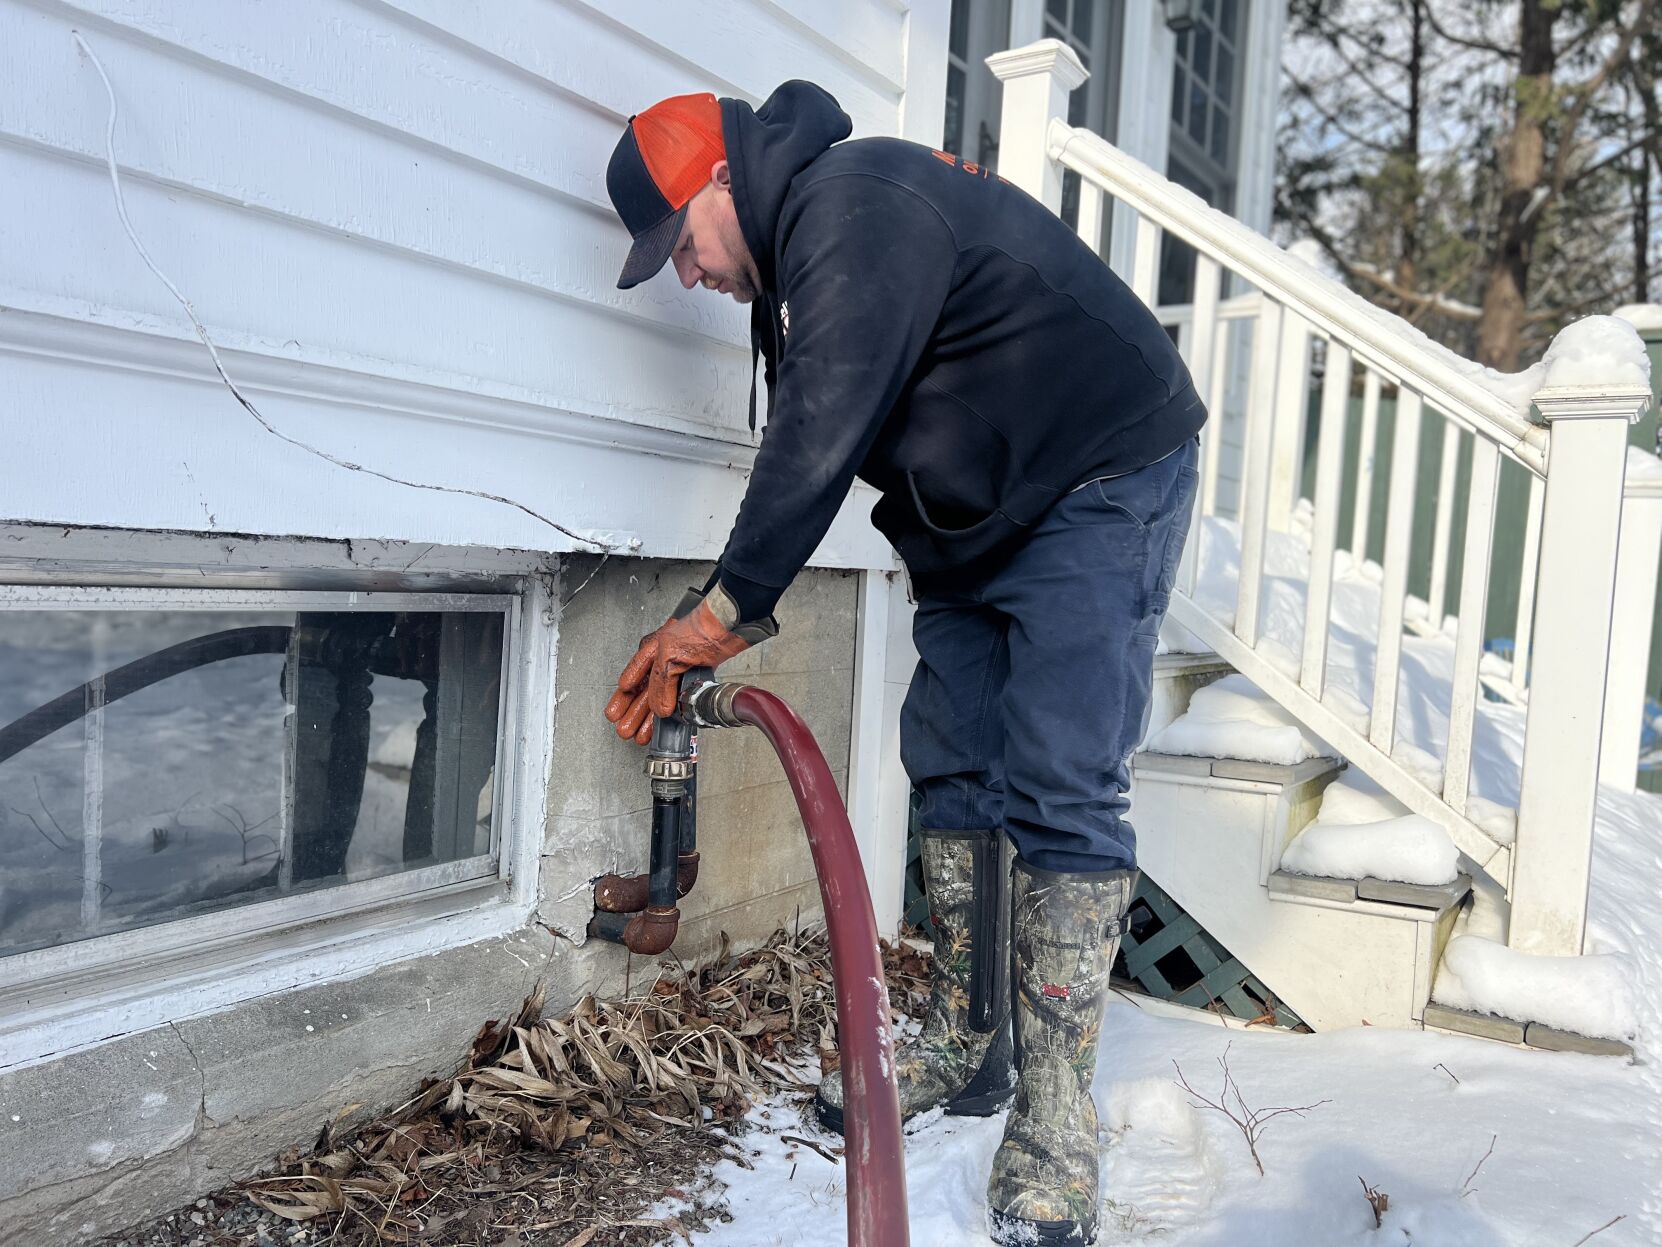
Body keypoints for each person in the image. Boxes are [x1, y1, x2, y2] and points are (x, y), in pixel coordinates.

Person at [602, 83, 1203, 1247]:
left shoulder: (855, 200)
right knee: (948, 753)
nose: (685, 275)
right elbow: (822, 426)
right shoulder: (806, 251)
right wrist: (711, 604)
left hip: (1095, 476)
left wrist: (724, 613)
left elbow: (819, 427)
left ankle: (1056, 1120)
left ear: (721, 179)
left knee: (1063, 780)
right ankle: (967, 1039)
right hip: (976, 511)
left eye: (680, 242)